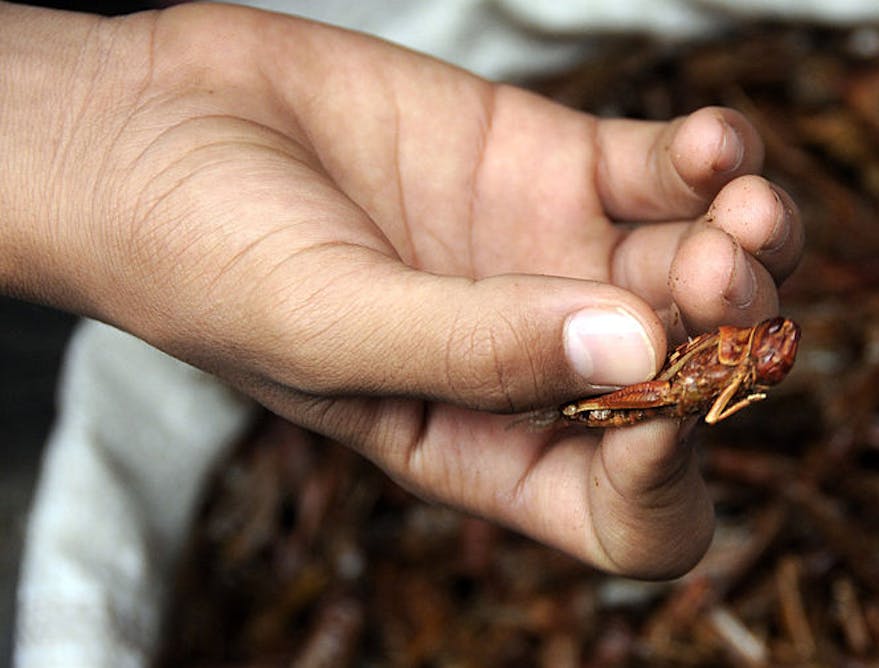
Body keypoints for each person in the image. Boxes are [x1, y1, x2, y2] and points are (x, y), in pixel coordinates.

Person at [0, 1, 803, 579]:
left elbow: (719, 395)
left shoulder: (730, 373)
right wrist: (89, 129)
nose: (762, 351)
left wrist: (98, 108)